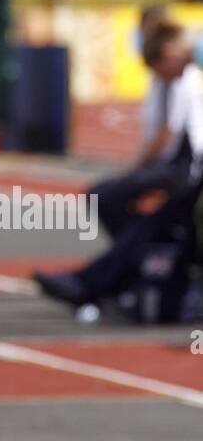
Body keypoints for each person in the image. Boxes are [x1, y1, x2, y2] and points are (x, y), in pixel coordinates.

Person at [34, 20, 203, 307]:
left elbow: (169, 134)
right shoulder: (179, 79)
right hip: (185, 172)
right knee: (142, 222)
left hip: (185, 172)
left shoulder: (186, 81)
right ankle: (120, 274)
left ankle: (99, 280)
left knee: (135, 213)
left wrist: (139, 170)